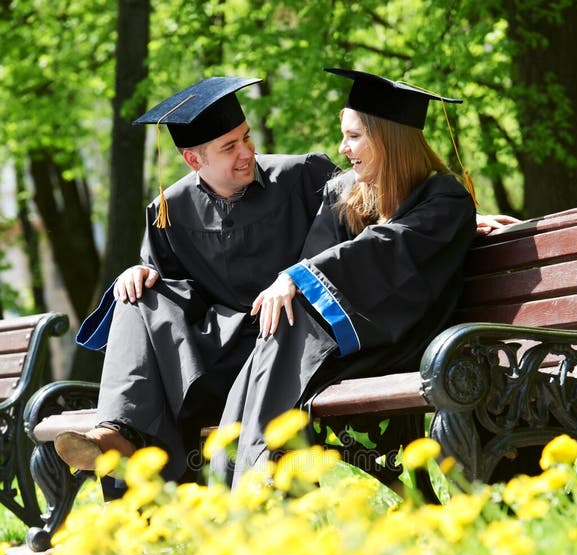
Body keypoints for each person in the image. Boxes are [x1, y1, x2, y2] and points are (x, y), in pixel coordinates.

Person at [55, 71, 515, 482]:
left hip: (334, 335)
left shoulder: (308, 177)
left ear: (385, 138)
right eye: (229, 146)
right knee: (136, 296)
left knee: (284, 325)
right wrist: (142, 272)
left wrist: (463, 218)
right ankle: (121, 437)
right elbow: (373, 208)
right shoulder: (170, 209)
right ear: (194, 160)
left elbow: (387, 221)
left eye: (246, 138)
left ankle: (245, 487)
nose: (246, 153)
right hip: (230, 343)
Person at [210, 68, 479, 485]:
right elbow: (320, 257)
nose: (342, 148)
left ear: (388, 137)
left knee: (291, 319)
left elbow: (387, 247)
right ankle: (244, 476)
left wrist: (297, 277)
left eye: (354, 136)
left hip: (404, 341)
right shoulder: (350, 194)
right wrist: (295, 279)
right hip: (351, 341)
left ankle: (255, 483)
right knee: (285, 319)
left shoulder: (444, 199)